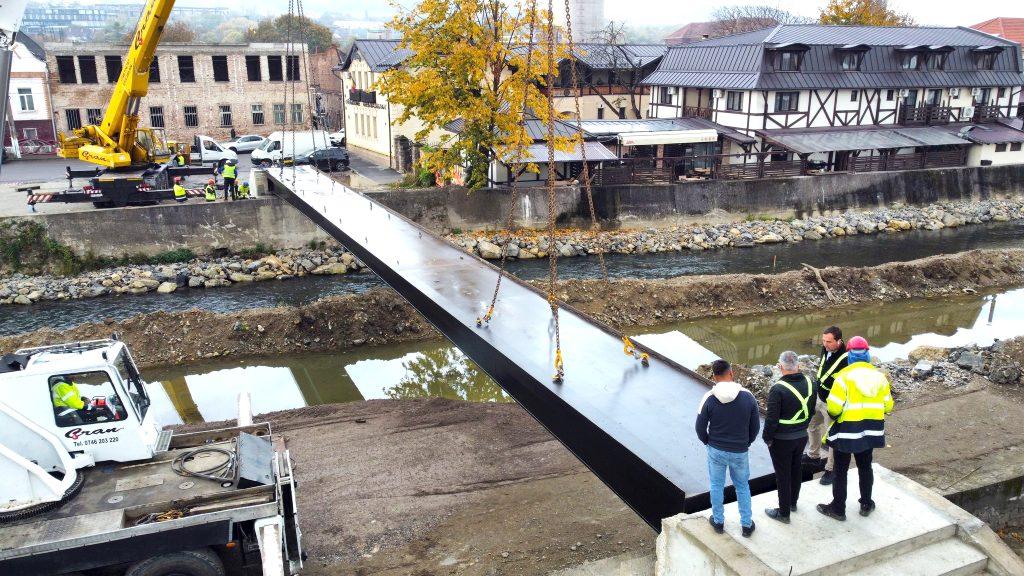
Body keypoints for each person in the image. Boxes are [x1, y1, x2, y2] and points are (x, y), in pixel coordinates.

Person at [817, 336, 894, 521]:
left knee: (840, 470)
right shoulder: (880, 378)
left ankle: (838, 509)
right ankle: (866, 504)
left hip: (846, 433)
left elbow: (833, 408)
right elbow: (888, 406)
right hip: (870, 433)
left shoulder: (843, 378)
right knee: (865, 468)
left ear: (850, 356)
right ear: (867, 355)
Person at [696, 359, 760, 537]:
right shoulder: (748, 397)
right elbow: (755, 427)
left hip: (716, 449)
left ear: (715, 377)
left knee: (716, 485)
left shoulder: (709, 398)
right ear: (731, 373)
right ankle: (746, 525)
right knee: (742, 486)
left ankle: (718, 522)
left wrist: (708, 441)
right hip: (739, 450)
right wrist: (746, 442)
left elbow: (700, 428)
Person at [763, 350, 815, 524]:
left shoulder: (778, 389)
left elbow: (771, 420)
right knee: (796, 469)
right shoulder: (810, 382)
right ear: (798, 366)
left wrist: (767, 438)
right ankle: (792, 503)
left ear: (780, 366)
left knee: (783, 475)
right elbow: (812, 409)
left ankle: (784, 513)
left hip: (782, 440)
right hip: (801, 436)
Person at [806, 326, 847, 485]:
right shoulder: (825, 350)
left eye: (829, 341)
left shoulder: (845, 358)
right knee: (812, 425)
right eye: (823, 341)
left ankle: (830, 469)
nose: (825, 344)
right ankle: (813, 455)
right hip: (819, 397)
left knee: (832, 437)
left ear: (839, 341)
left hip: (832, 402)